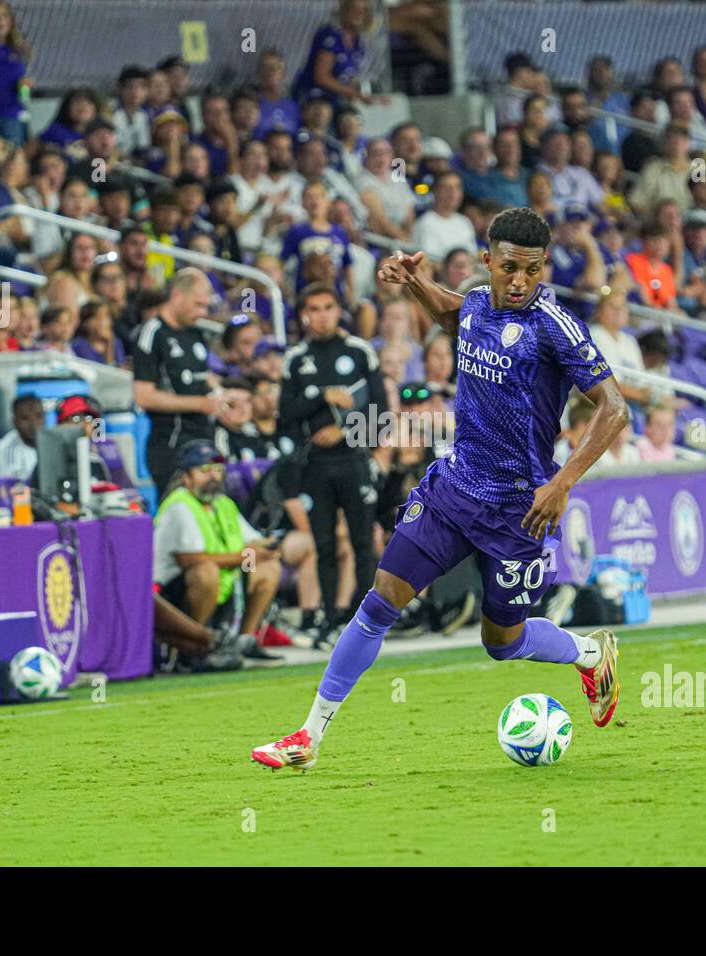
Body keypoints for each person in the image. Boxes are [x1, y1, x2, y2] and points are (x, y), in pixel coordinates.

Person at [252, 207, 628, 772]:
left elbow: (614, 407)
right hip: (452, 490)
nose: (519, 282)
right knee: (379, 603)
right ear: (488, 262)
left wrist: (561, 481)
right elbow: (458, 316)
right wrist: (416, 283)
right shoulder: (478, 300)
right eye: (508, 269)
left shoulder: (556, 324)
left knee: (502, 642)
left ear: (543, 266)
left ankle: (590, 652)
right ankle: (308, 737)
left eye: (530, 270)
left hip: (518, 508)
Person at [278, 282, 387, 643]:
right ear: (304, 314)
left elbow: (382, 415)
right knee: (323, 544)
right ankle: (327, 621)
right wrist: (321, 396)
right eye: (314, 309)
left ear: (339, 310)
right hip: (316, 467)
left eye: (328, 307)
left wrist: (345, 433)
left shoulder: (360, 352)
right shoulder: (295, 358)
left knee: (362, 541)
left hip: (354, 459)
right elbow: (285, 415)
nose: (321, 316)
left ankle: (365, 621)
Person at [153, 440, 284, 666]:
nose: (213, 476)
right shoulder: (179, 504)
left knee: (267, 567)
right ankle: (194, 650)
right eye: (204, 470)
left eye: (218, 469)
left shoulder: (223, 503)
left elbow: (255, 540)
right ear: (186, 477)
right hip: (172, 592)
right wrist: (245, 556)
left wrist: (269, 547)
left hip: (224, 581)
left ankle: (242, 641)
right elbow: (188, 559)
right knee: (205, 572)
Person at [133, 267, 223, 496]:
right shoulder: (152, 333)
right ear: (177, 297)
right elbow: (143, 396)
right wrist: (200, 404)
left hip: (204, 439)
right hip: (172, 444)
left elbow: (203, 378)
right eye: (198, 304)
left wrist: (223, 394)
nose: (203, 312)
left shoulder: (194, 333)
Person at [0, 393, 42, 480]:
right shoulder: (6, 448)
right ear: (14, 421)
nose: (34, 424)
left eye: (38, 416)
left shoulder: (52, 441)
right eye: (25, 418)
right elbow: (8, 488)